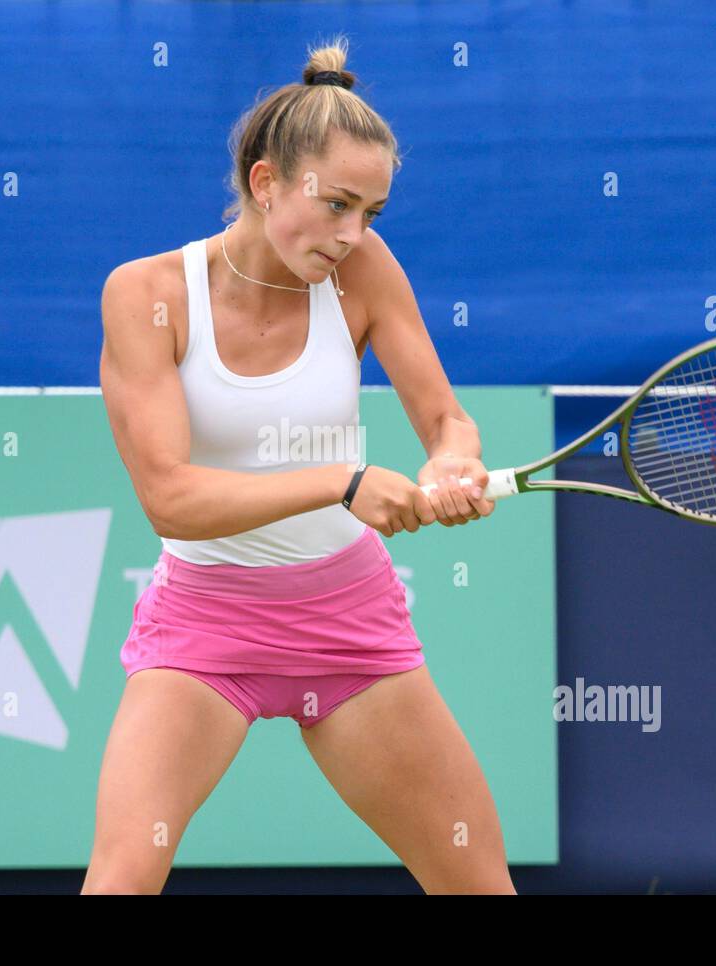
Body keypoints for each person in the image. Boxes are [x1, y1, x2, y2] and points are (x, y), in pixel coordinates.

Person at [84, 35, 514, 895]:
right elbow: (170, 498)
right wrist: (342, 482)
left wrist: (454, 462)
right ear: (266, 181)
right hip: (203, 625)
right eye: (338, 204)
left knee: (476, 882)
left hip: (348, 618)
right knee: (123, 877)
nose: (353, 233)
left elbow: (444, 416)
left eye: (372, 213)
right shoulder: (148, 295)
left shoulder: (363, 273)